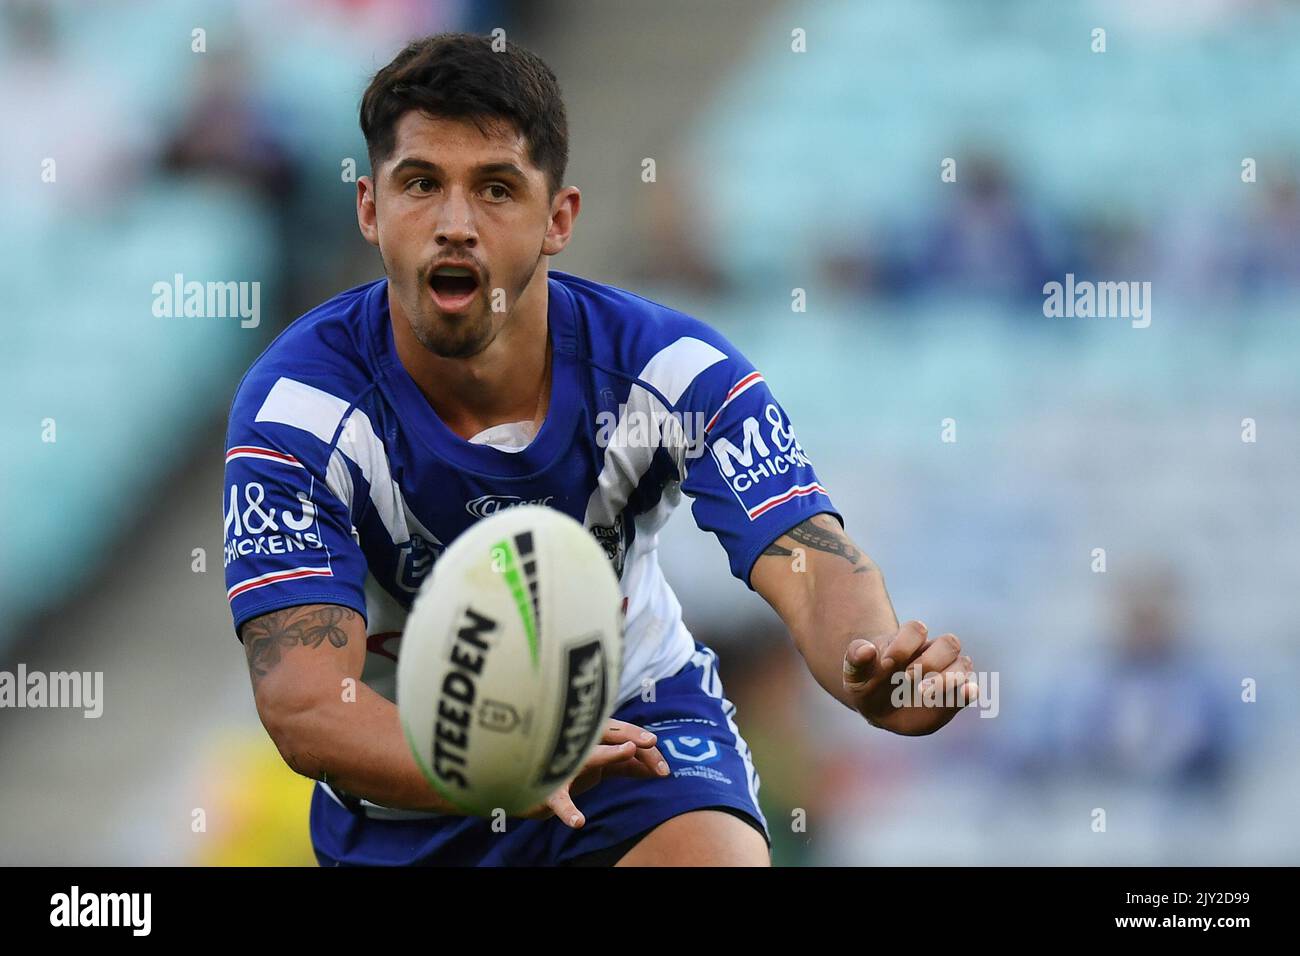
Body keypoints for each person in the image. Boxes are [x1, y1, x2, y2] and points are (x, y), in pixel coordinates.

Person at [222, 32, 978, 866]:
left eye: (497, 189)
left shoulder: (670, 371)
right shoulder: (299, 411)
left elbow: (807, 553)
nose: (455, 225)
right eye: (421, 185)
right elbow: (307, 706)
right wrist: (504, 769)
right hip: (408, 799)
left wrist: (866, 663)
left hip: (629, 731)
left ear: (559, 219)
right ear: (370, 209)